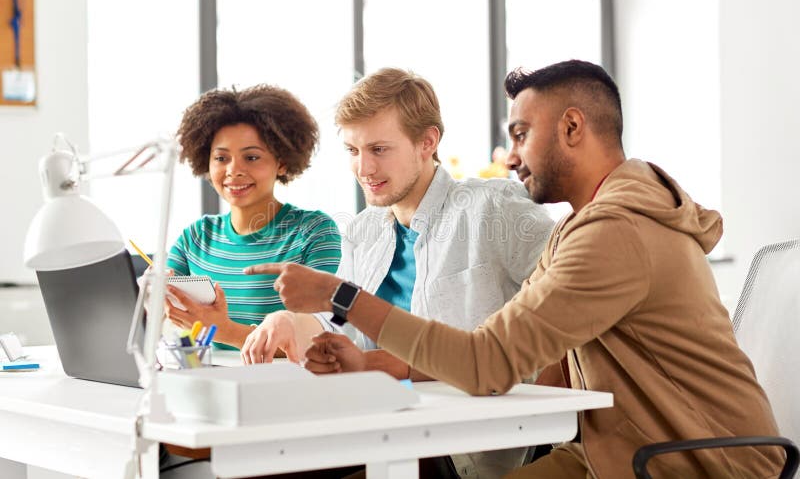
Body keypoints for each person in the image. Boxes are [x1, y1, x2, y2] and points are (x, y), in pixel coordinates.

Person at [248, 60, 783, 478]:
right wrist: (372, 360)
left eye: (522, 133)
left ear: (572, 127)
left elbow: (487, 362)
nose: (509, 155)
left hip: (695, 463)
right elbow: (498, 349)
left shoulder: (615, 233)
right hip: (615, 451)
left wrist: (341, 296)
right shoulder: (582, 228)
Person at [242, 67, 554, 477]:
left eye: (379, 149)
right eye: (353, 150)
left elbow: (563, 319)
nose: (363, 168)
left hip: (458, 447)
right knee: (253, 462)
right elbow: (342, 330)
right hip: (376, 427)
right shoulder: (362, 231)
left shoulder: (493, 209)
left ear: (427, 142)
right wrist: (289, 322)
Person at [163, 84, 341, 354]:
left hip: (281, 379)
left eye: (252, 157)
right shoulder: (194, 238)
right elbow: (173, 330)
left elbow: (324, 335)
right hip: (208, 375)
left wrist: (224, 331)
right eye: (221, 158)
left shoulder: (315, 233)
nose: (234, 170)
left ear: (281, 162)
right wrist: (157, 303)